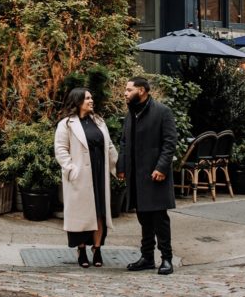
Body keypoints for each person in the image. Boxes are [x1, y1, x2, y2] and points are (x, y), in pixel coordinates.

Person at [117, 76, 178, 275]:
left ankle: (167, 259)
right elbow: (124, 142)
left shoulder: (162, 112)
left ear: (142, 90)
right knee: (143, 216)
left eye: (128, 90)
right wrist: (122, 166)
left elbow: (169, 143)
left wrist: (161, 168)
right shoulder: (130, 114)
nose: (125, 93)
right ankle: (147, 257)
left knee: (159, 217)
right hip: (136, 175)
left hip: (155, 174)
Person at [54, 87, 118, 268]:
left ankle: (97, 249)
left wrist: (118, 168)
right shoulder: (66, 124)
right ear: (78, 101)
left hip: (99, 173)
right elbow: (60, 149)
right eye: (87, 98)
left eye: (91, 97)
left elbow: (110, 146)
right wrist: (71, 169)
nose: (91, 101)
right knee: (81, 214)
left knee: (99, 212)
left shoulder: (99, 121)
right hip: (80, 175)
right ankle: (81, 249)